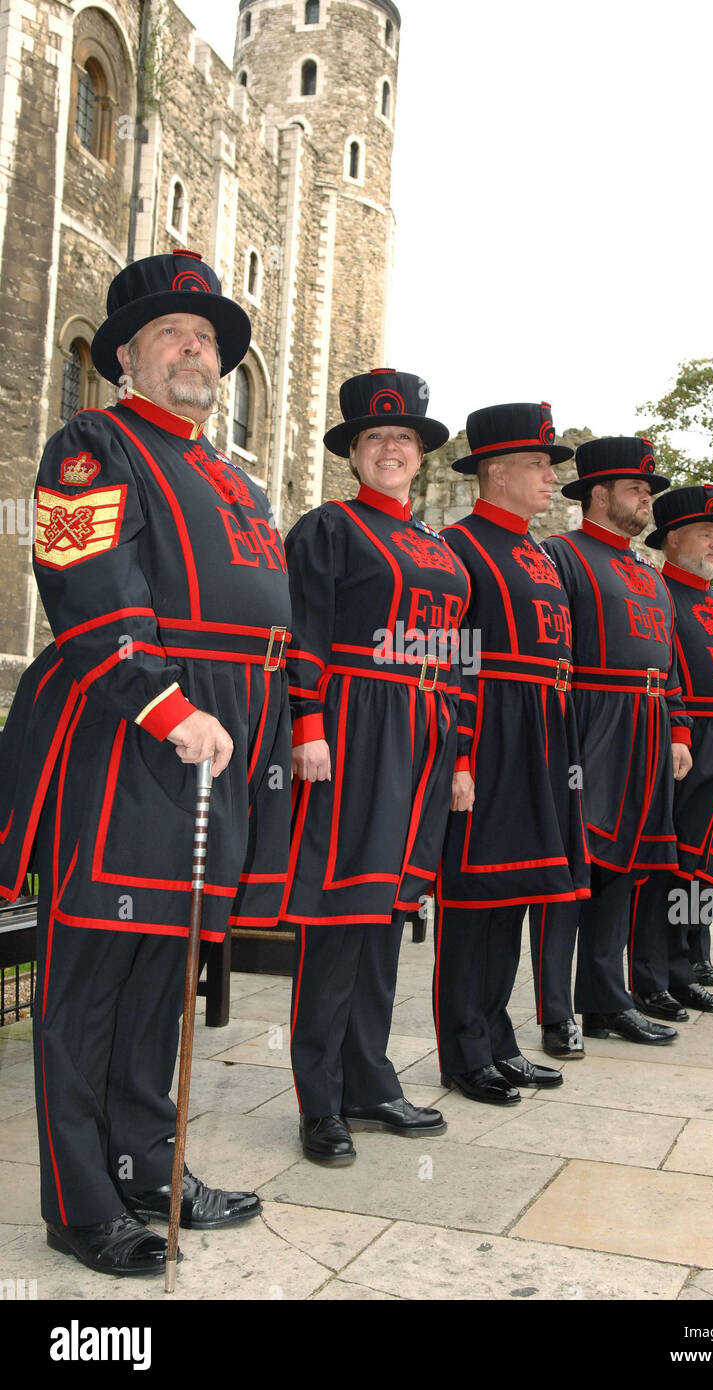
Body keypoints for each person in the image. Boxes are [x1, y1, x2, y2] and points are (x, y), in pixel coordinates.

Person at [0, 250, 291, 1275]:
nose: (193, 349)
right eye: (171, 332)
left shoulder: (235, 481)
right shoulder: (90, 445)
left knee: (159, 983)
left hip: (217, 750)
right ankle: (79, 1204)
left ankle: (147, 1169)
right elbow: (86, 586)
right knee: (88, 988)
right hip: (125, 745)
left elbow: (268, 627)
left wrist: (278, 727)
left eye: (207, 337)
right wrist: (168, 708)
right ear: (126, 355)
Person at [283, 369, 471, 1162]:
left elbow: (459, 659)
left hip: (424, 738)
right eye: (376, 438)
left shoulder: (437, 547)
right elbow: (302, 631)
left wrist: (459, 755)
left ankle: (371, 1079)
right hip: (355, 730)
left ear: (420, 456)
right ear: (354, 453)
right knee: (339, 915)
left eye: (404, 439)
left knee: (389, 915)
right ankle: (318, 1100)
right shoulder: (328, 529)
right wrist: (308, 723)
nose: (391, 449)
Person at [433, 402, 590, 1104]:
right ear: (493, 471)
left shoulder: (535, 551)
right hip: (489, 726)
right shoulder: (458, 547)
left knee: (518, 889)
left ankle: (498, 1039)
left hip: (545, 729)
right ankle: (463, 1052)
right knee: (473, 895)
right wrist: (459, 754)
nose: (549, 477)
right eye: (536, 464)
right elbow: (450, 660)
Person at [542, 437, 691, 1047]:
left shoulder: (649, 575)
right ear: (598, 495)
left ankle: (605, 999)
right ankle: (557, 1013)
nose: (646, 499)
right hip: (588, 719)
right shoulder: (561, 555)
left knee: (624, 869)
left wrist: (678, 728)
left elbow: (669, 662)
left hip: (650, 725)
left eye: (649, 490)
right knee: (574, 868)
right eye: (636, 489)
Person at [630, 484, 713, 1018]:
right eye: (706, 534)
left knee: (704, 867)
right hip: (688, 737)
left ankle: (689, 966)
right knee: (669, 863)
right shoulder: (660, 591)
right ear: (673, 538)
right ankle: (654, 976)